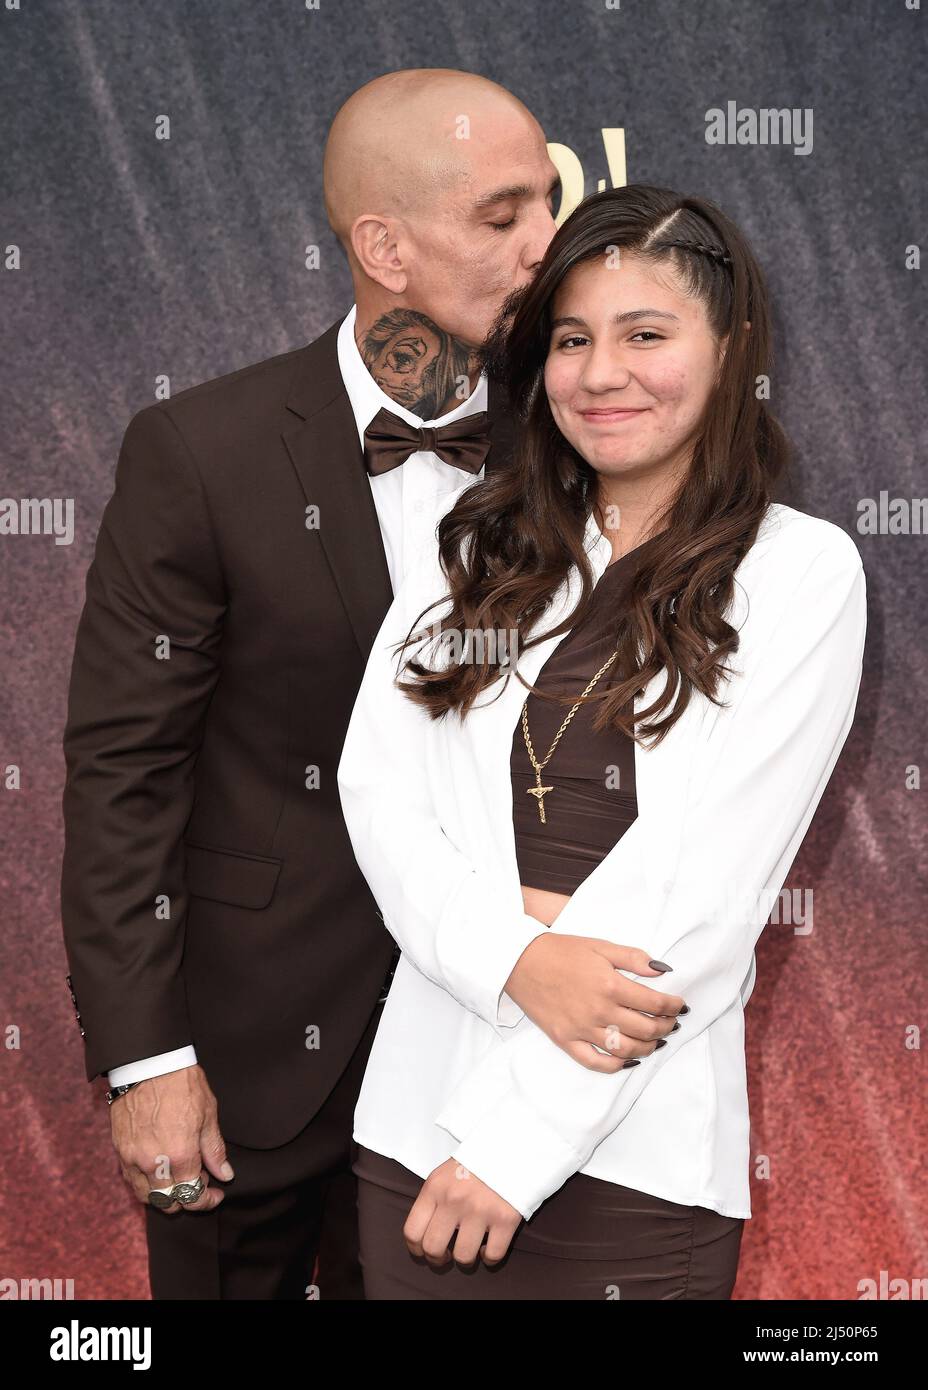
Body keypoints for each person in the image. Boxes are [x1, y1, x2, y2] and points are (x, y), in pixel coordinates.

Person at [58, 68, 633, 1300]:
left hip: (495, 1071)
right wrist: (146, 1058)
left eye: (551, 201)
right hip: (247, 1061)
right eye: (501, 215)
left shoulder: (591, 439)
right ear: (383, 243)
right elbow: (125, 776)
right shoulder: (200, 452)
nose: (550, 243)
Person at [337, 183, 868, 1300]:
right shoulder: (473, 547)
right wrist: (516, 957)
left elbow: (706, 900)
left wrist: (513, 1147)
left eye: (645, 334)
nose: (601, 372)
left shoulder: (799, 573)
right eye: (572, 338)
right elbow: (379, 793)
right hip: (414, 1129)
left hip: (633, 1151)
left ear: (728, 351)